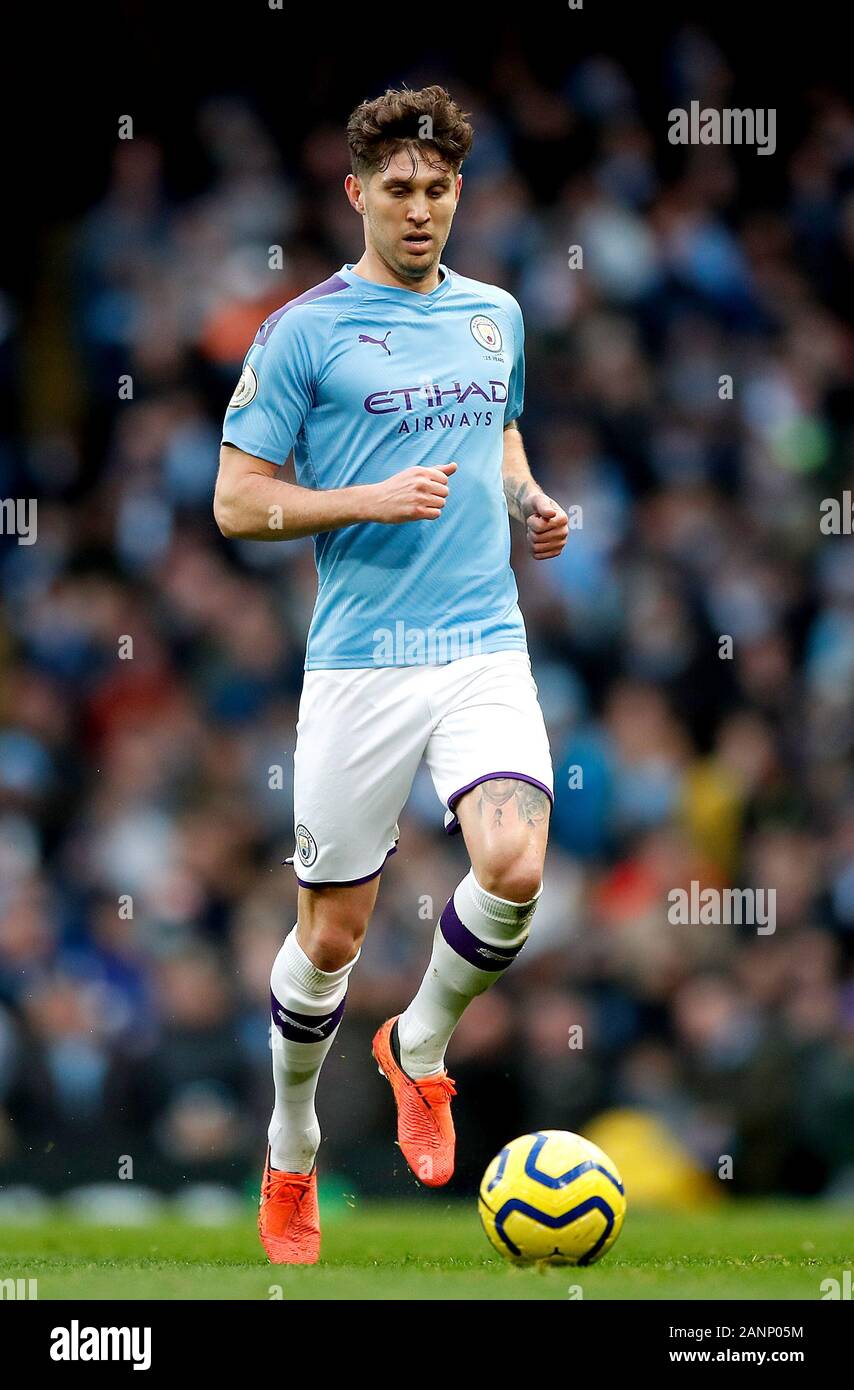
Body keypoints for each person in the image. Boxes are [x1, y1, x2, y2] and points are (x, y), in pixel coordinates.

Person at [214, 84, 569, 1264]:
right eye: (398, 190)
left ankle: (419, 1044)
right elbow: (236, 500)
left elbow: (498, 430)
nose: (419, 210)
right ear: (357, 192)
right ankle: (292, 1142)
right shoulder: (302, 330)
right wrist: (362, 497)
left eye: (438, 189)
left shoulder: (497, 314)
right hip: (363, 661)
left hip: (479, 639)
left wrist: (524, 496)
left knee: (514, 863)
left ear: (457, 192)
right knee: (329, 935)